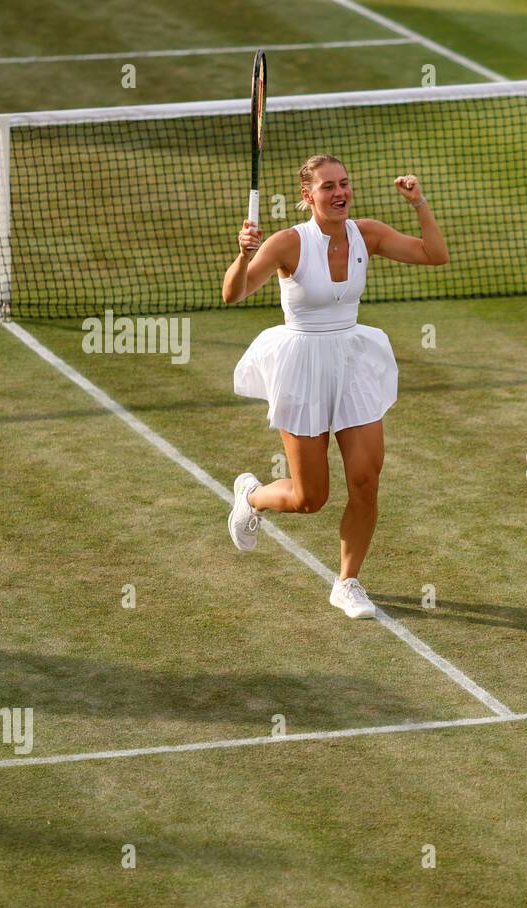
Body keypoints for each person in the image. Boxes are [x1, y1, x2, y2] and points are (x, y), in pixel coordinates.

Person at [220, 156, 448, 618]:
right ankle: (252, 497)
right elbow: (234, 293)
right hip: (302, 365)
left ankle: (347, 582)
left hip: (352, 361)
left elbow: (434, 254)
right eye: (328, 187)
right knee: (310, 499)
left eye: (344, 183)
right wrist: (244, 254)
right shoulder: (288, 243)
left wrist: (419, 202)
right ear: (308, 196)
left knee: (365, 481)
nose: (339, 192)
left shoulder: (369, 233)